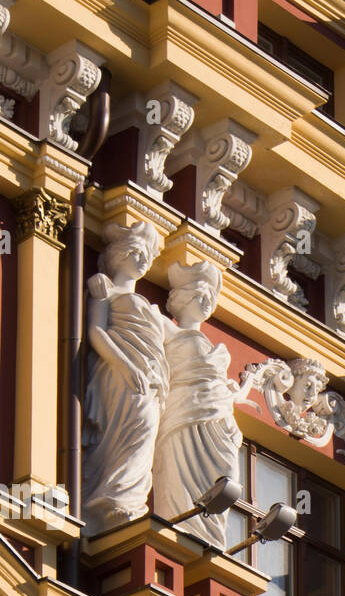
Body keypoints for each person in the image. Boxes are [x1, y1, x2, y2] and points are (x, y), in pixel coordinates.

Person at [152, 261, 257, 550]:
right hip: (184, 416)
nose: (206, 300)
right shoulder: (169, 329)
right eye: (200, 293)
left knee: (222, 478)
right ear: (181, 299)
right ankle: (181, 532)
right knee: (179, 479)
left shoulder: (205, 343)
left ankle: (208, 538)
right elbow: (135, 309)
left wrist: (232, 393)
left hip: (218, 426)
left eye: (210, 296)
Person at [82, 222, 167, 535]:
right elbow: (95, 331)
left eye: (147, 254)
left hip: (149, 380)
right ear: (119, 254)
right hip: (118, 372)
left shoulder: (149, 305)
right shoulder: (104, 287)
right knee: (127, 431)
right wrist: (125, 366)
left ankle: (127, 501)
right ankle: (111, 500)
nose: (144, 259)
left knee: (144, 436)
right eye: (138, 251)